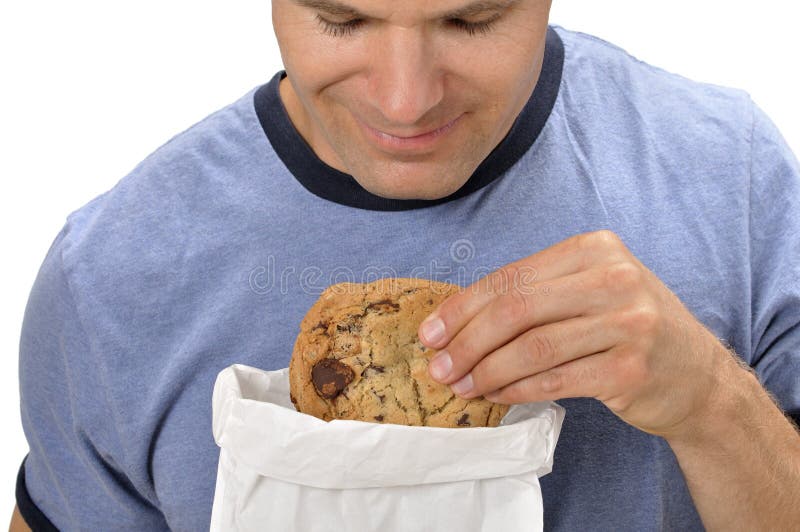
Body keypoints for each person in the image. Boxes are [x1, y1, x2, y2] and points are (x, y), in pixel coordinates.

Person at [11, 0, 800, 530]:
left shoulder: (731, 177)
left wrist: (713, 403)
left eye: (471, 18)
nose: (404, 101)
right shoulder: (108, 280)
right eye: (343, 18)